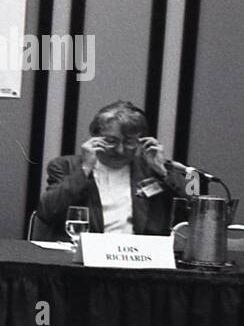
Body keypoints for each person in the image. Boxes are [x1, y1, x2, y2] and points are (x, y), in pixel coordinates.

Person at [38, 101, 185, 240]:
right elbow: (47, 212)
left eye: (129, 142)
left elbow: (194, 203)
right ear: (95, 138)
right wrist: (85, 169)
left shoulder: (151, 168)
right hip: (85, 255)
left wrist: (163, 172)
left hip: (139, 256)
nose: (120, 150)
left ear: (142, 141)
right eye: (111, 141)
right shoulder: (65, 166)